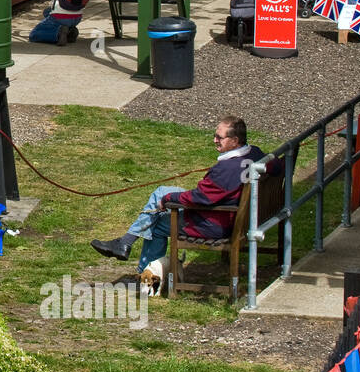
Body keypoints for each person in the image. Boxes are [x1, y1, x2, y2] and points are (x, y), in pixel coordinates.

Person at [89, 116, 270, 273]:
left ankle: (146, 272)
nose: (214, 140)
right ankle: (125, 243)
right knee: (161, 191)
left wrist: (169, 200)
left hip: (213, 222)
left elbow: (200, 198)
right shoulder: (254, 153)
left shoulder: (226, 169)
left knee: (156, 223)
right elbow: (277, 164)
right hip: (233, 213)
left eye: (219, 137)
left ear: (235, 140)